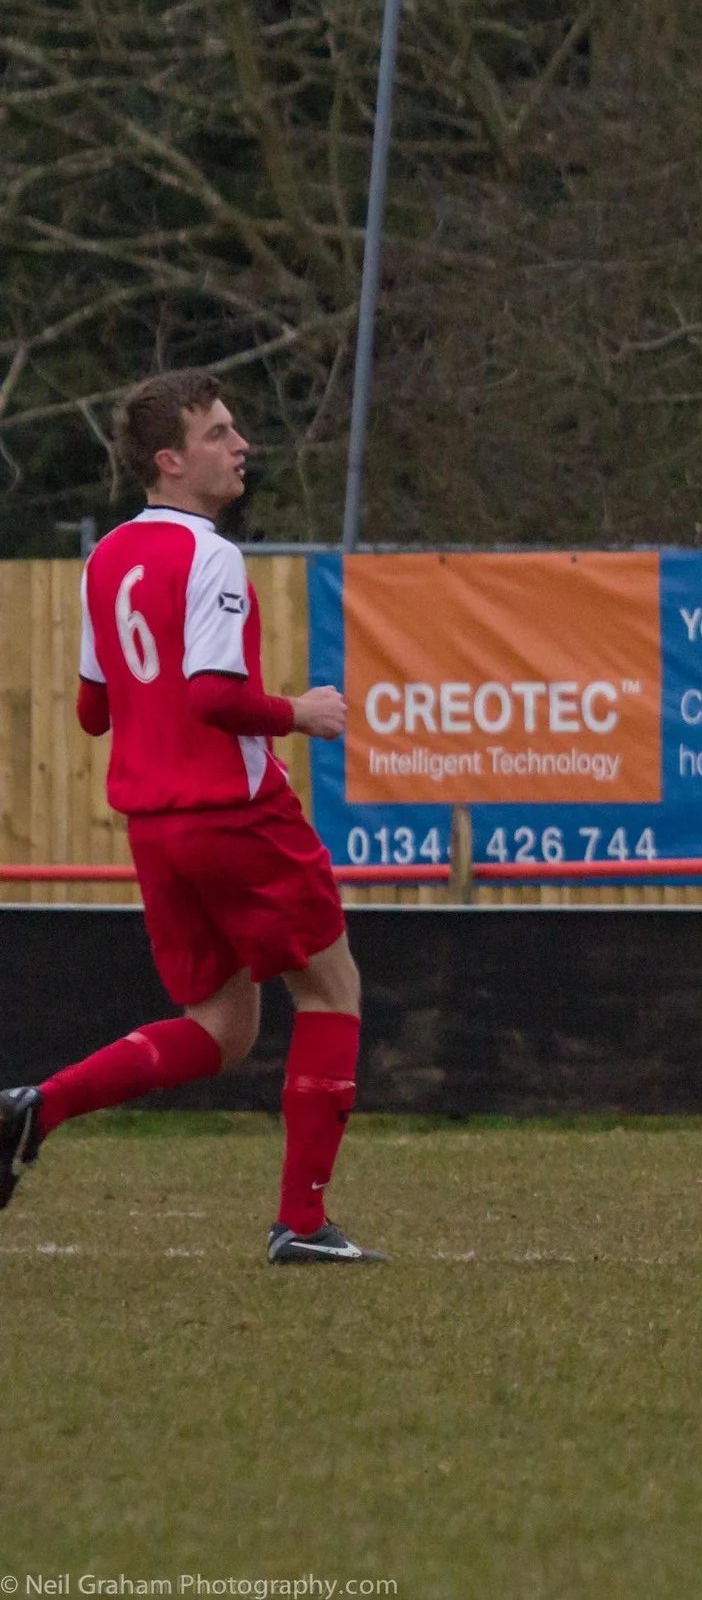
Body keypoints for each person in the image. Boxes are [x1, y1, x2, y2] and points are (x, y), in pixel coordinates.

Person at [0, 370, 383, 1265]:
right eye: (218, 432)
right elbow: (214, 694)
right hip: (235, 814)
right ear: (170, 461)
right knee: (332, 990)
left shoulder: (106, 559)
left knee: (223, 1027)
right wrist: (300, 711)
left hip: (155, 827)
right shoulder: (209, 554)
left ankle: (35, 1106)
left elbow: (96, 712)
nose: (239, 443)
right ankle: (303, 1223)